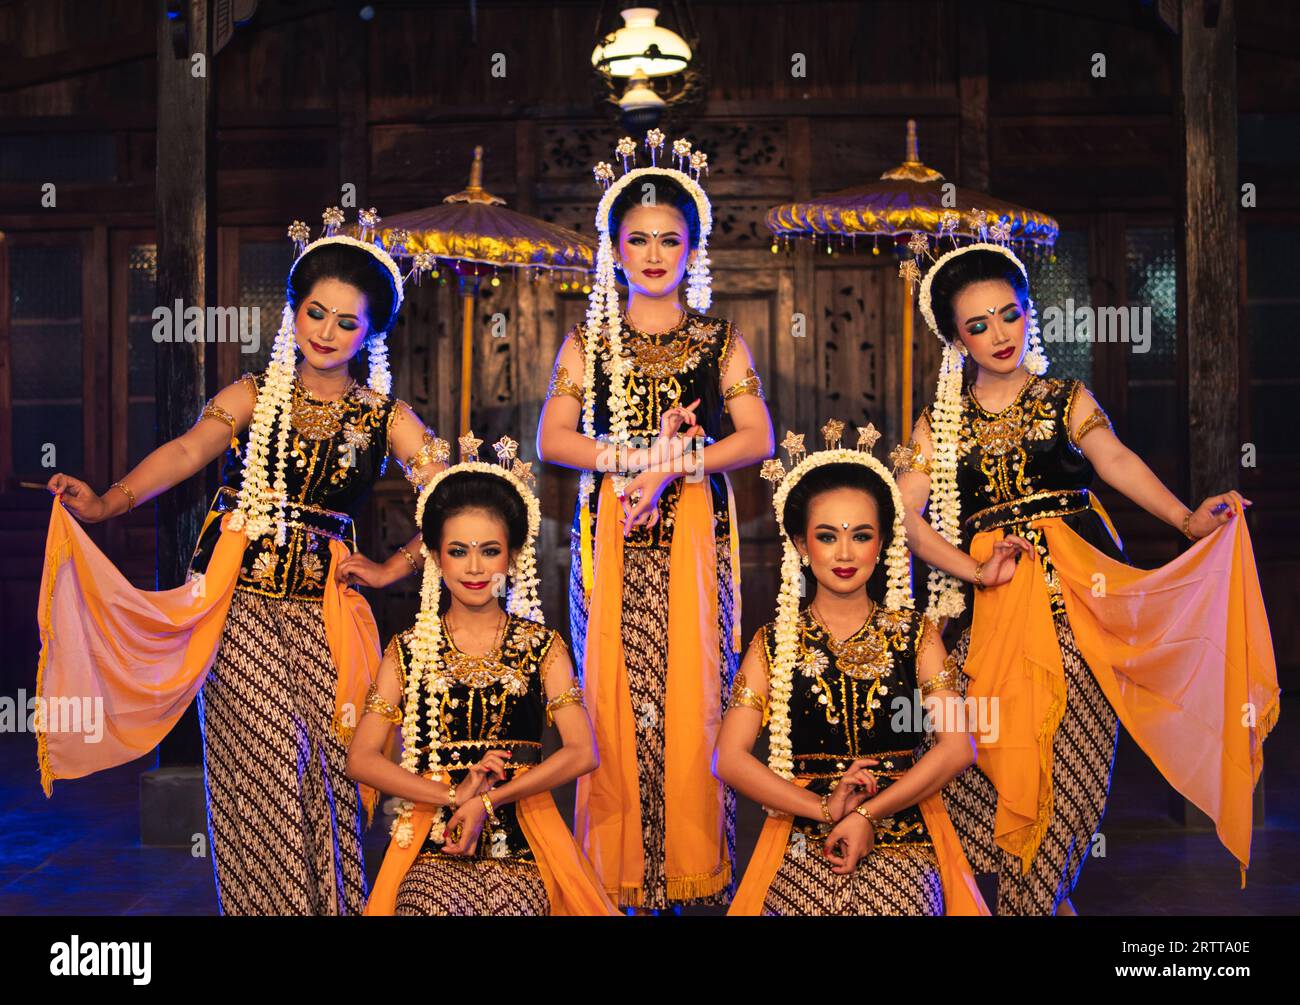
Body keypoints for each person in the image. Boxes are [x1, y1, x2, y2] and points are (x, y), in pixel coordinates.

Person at [36, 208, 446, 915]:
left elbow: (459, 496)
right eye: (315, 312)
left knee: (330, 773)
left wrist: (393, 566)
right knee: (264, 773)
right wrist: (107, 501)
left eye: (346, 323)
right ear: (294, 311)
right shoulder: (254, 396)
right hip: (239, 609)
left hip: (327, 621)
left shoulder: (385, 416)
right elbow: (187, 451)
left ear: (369, 332)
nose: (325, 332)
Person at [890, 226, 1279, 914]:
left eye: (1010, 313)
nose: (1001, 333)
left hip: (1082, 615)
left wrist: (1188, 519)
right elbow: (907, 519)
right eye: (979, 325)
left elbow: (1117, 461)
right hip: (990, 629)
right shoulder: (937, 425)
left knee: (1069, 791)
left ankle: (1034, 905)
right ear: (958, 341)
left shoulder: (1065, 396)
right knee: (985, 783)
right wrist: (974, 572)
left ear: (1028, 311)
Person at [537, 130, 774, 911]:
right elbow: (554, 439)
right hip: (611, 533)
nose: (652, 252)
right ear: (612, 246)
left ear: (692, 249)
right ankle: (615, 878)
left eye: (669, 239)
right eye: (636, 238)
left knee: (696, 691)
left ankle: (693, 874)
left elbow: (756, 437)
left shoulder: (718, 338)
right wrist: (637, 458)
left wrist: (676, 464)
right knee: (610, 695)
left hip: (697, 537)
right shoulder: (590, 341)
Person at [717, 421, 987, 915]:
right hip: (803, 835)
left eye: (860, 536)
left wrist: (865, 813)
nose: (844, 553)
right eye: (827, 536)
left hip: (901, 830)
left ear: (882, 544)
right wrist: (824, 808)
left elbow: (958, 747)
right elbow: (729, 760)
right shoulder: (772, 643)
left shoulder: (916, 636)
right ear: (801, 545)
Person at [350, 438, 616, 915]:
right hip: (431, 841)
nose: (474, 568)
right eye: (458, 551)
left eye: (489, 551)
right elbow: (363, 760)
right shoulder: (409, 649)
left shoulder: (542, 646)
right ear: (434, 556)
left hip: (523, 840)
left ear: (511, 556)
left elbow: (583, 752)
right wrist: (452, 795)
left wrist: (489, 802)